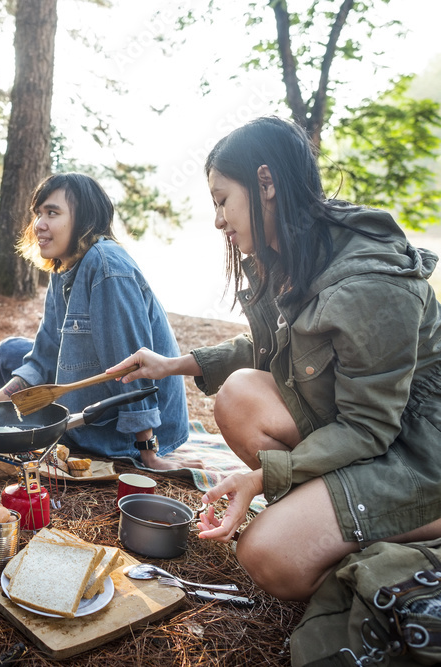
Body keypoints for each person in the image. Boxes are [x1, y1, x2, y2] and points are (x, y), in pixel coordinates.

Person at [107, 116, 441, 601]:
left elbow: (370, 428)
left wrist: (264, 477)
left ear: (265, 182)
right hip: (368, 433)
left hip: (415, 451)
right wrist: (170, 365)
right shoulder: (300, 252)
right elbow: (275, 350)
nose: (218, 219)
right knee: (239, 393)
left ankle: (418, 519)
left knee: (266, 555)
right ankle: (328, 521)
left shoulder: (370, 283)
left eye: (222, 200)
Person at [0, 173, 192, 470]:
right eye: (38, 214)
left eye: (52, 213)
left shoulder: (106, 266)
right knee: (11, 351)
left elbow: (132, 366)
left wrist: (148, 451)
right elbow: (42, 360)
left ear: (84, 219)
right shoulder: (63, 269)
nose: (39, 225)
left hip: (126, 434)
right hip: (90, 398)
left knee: (17, 358)